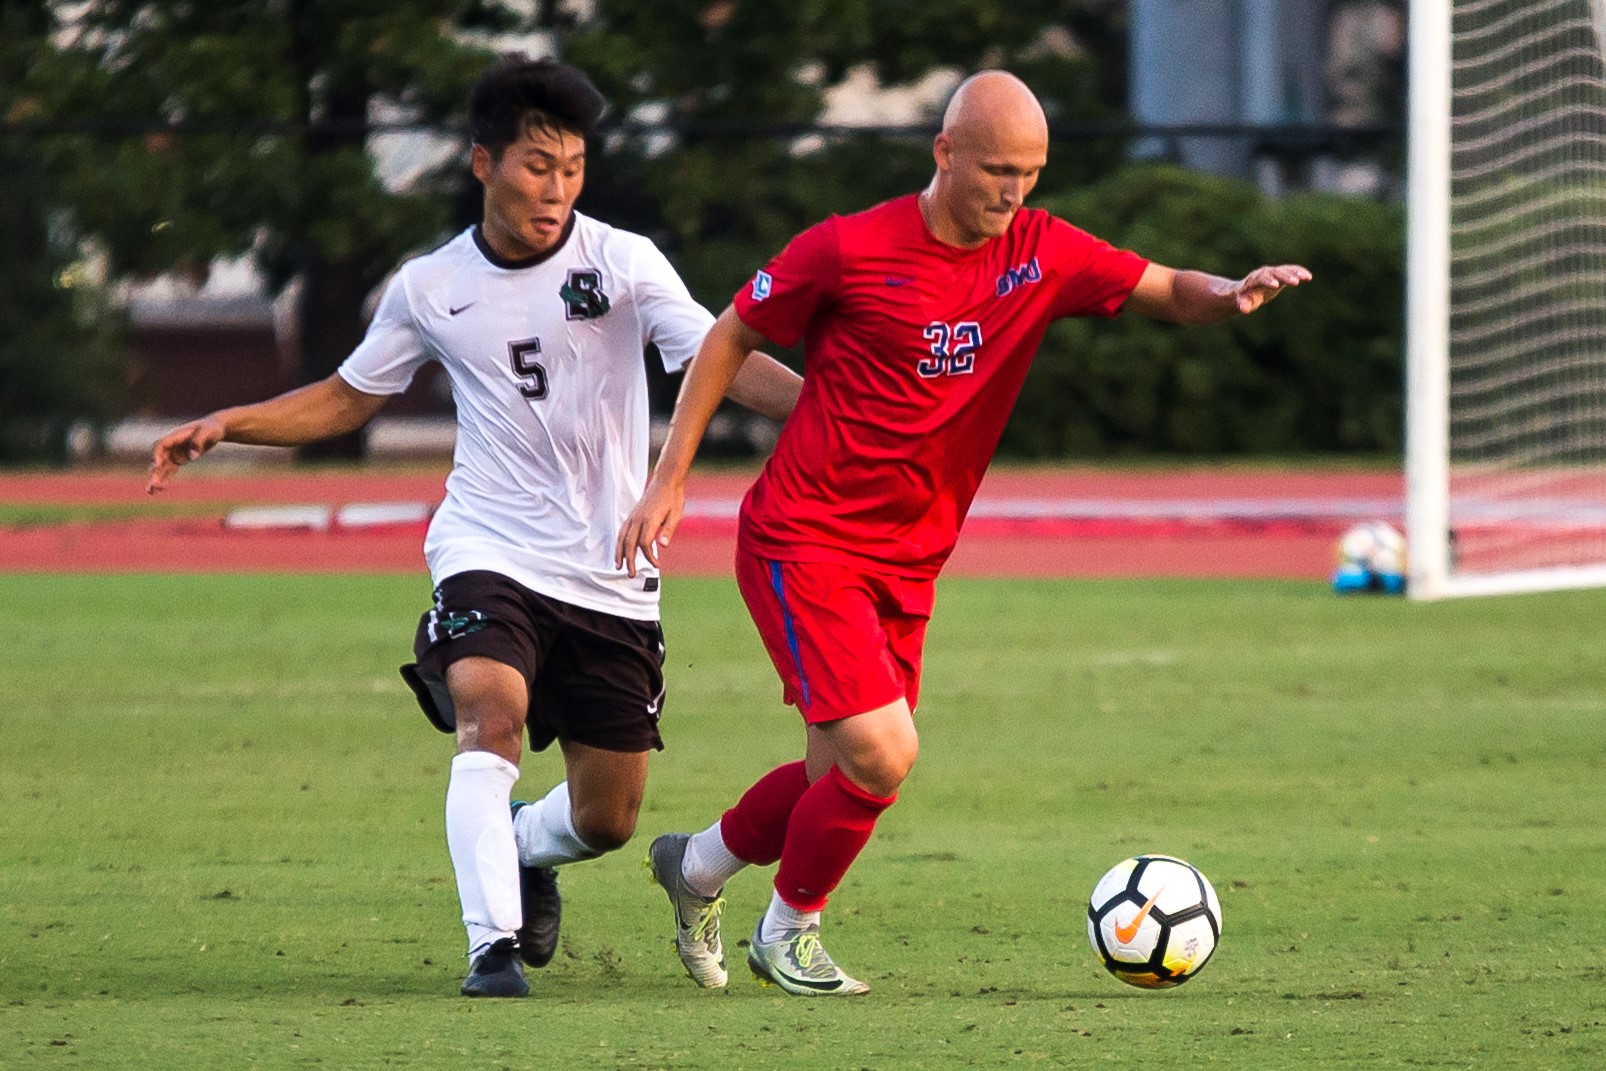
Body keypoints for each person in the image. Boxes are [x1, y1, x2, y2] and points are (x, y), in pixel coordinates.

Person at [617, 70, 1310, 997]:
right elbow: (728, 336)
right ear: (944, 153)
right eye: (996, 170)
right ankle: (788, 932)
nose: (1013, 192)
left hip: (909, 559)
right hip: (803, 537)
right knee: (884, 754)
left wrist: (1229, 292)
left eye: (1030, 173)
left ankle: (695, 866)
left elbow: (1162, 287)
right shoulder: (848, 248)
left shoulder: (1040, 251)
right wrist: (671, 478)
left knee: (837, 774)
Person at [146, 56, 801, 999]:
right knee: (489, 711)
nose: (558, 188)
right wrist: (229, 423)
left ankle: (525, 848)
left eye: (574, 167)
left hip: (609, 571)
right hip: (486, 547)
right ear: (482, 163)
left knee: (609, 817)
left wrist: (836, 413)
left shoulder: (621, 262)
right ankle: (490, 948)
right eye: (539, 165)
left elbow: (724, 360)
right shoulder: (430, 285)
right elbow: (345, 397)